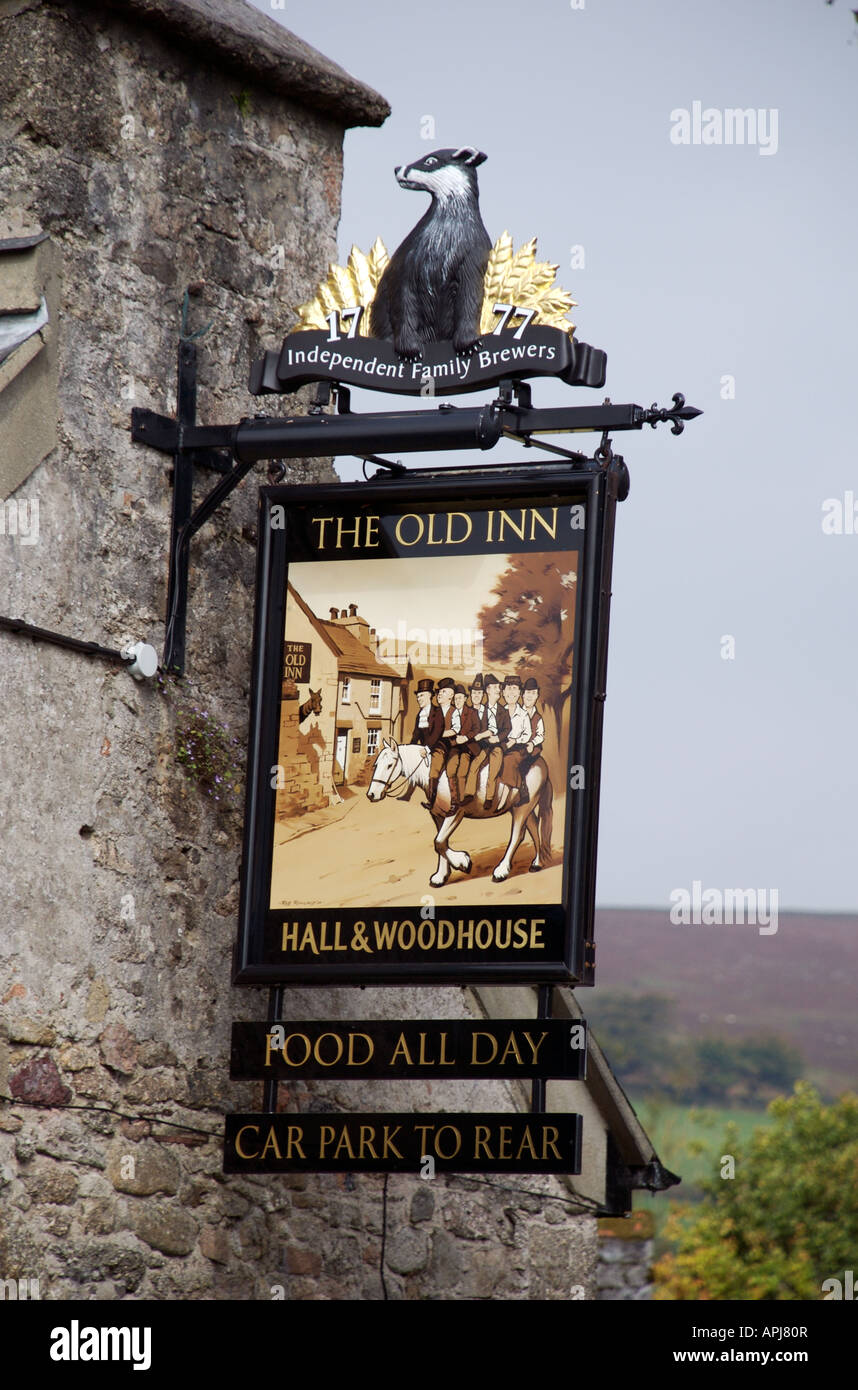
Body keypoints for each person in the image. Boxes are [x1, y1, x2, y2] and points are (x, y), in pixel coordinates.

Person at [443, 683, 477, 809]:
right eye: (455, 698)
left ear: (465, 699)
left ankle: (462, 800)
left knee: (461, 772)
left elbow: (476, 729)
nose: (457, 701)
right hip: (454, 747)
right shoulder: (450, 712)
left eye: (460, 698)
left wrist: (466, 737)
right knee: (451, 769)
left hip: (467, 747)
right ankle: (454, 800)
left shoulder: (472, 712)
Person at [425, 676, 455, 809]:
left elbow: (457, 730)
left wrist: (439, 734)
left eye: (443, 692)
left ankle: (455, 800)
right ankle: (431, 800)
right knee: (434, 769)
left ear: (451, 695)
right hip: (439, 747)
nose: (439, 694)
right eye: (438, 692)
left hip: (455, 747)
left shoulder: (455, 711)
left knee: (454, 770)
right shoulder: (433, 712)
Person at [500, 673, 532, 793]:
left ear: (519, 693)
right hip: (502, 745)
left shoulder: (523, 714)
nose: (511, 693)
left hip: (518, 747)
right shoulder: (500, 712)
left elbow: (527, 734)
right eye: (508, 688)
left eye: (514, 689)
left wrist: (515, 740)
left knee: (509, 760)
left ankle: (514, 792)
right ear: (503, 692)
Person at [409, 677, 442, 749]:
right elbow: (415, 736)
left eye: (421, 695)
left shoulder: (438, 711)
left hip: (437, 748)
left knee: (436, 759)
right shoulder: (419, 715)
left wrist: (427, 748)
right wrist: (410, 748)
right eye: (417, 697)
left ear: (429, 695)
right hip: (423, 749)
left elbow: (436, 734)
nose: (418, 699)